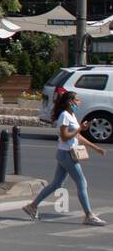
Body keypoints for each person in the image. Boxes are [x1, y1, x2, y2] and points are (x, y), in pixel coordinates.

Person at [23, 90, 107, 225]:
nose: (79, 102)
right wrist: (80, 128)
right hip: (66, 154)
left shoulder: (71, 115)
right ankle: (89, 215)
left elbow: (77, 136)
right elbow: (65, 136)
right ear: (70, 102)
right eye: (77, 100)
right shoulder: (64, 116)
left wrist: (95, 148)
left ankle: (32, 206)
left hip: (65, 153)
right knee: (82, 183)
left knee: (57, 183)